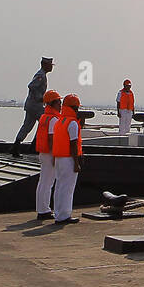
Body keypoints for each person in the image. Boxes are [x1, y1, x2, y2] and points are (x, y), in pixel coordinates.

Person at [51, 94, 84, 224]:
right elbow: (73, 144)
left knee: (59, 187)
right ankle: (64, 215)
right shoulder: (72, 123)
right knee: (68, 188)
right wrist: (76, 162)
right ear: (74, 108)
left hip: (59, 158)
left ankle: (58, 213)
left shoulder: (59, 121)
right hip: (68, 159)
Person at [13, 57, 54, 154]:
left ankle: (16, 146)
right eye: (50, 65)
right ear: (45, 65)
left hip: (33, 105)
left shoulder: (42, 75)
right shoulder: (41, 75)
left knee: (27, 126)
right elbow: (31, 86)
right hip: (36, 106)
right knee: (45, 123)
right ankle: (33, 146)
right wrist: (40, 97)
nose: (51, 67)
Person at [34, 90, 62, 220]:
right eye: (58, 102)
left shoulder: (44, 117)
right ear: (52, 103)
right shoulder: (54, 119)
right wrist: (56, 155)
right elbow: (52, 139)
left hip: (43, 152)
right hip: (50, 153)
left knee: (43, 182)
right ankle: (44, 210)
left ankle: (41, 208)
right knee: (48, 182)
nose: (60, 104)